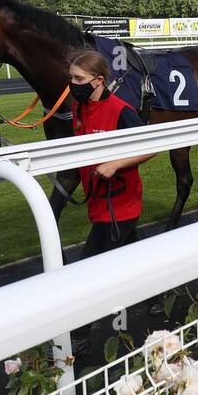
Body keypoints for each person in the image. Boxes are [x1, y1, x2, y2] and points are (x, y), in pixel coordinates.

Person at [67, 50, 156, 258]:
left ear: (98, 81)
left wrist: (114, 164)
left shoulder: (121, 111)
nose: (73, 84)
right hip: (98, 204)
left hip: (119, 206)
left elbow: (151, 147)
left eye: (79, 79)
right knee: (131, 262)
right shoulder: (78, 107)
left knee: (90, 266)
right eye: (71, 78)